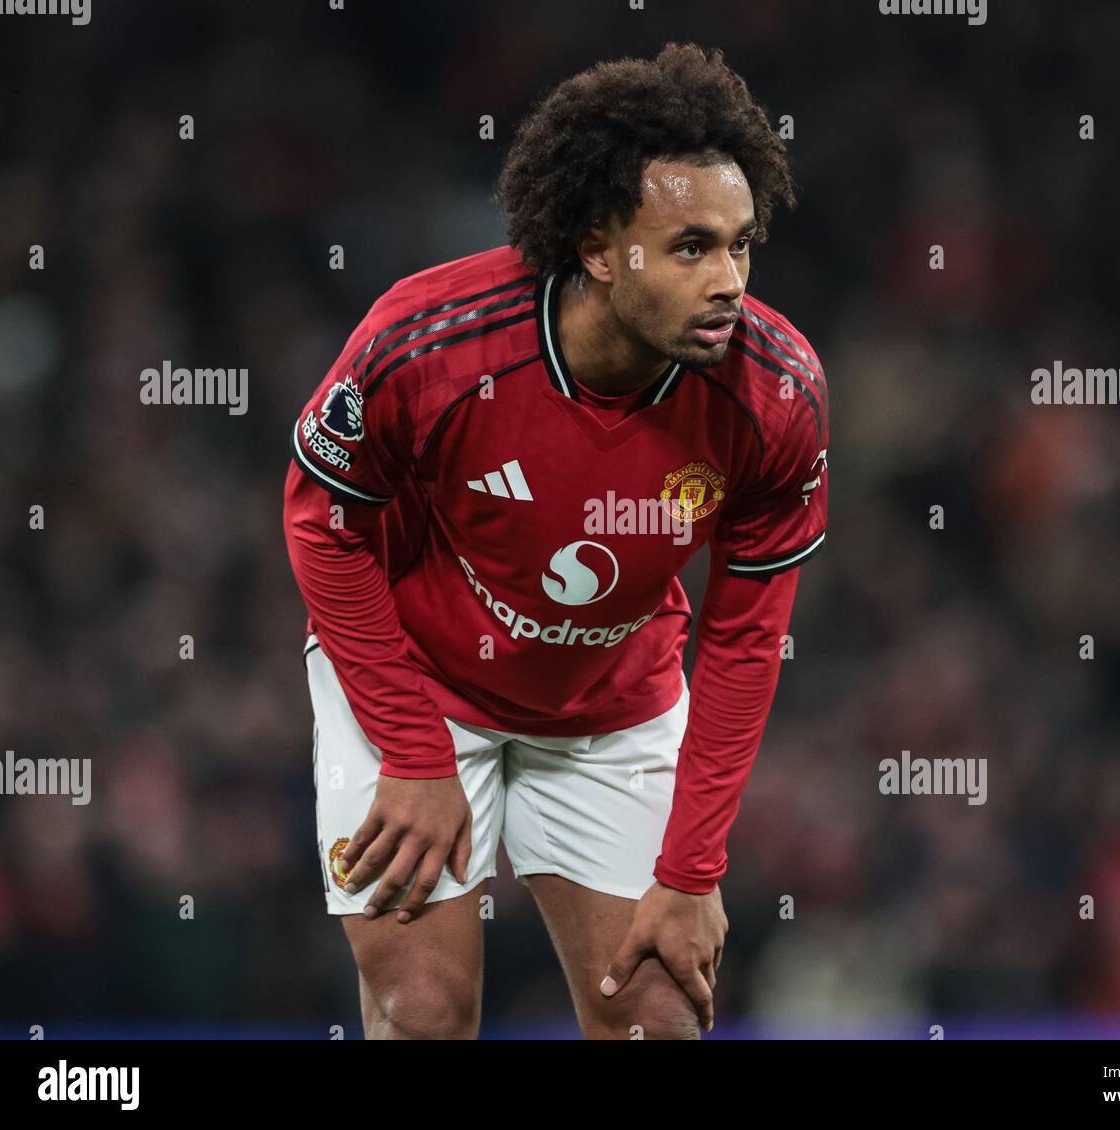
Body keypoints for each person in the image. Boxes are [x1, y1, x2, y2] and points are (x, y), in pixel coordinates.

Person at [282, 41, 829, 1040]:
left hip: (612, 711)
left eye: (743, 244)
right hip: (421, 684)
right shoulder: (427, 342)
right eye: (692, 247)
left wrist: (692, 868)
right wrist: (410, 750)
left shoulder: (775, 394)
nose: (729, 282)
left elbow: (747, 638)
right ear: (594, 247)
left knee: (660, 1018)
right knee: (423, 1008)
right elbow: (323, 525)